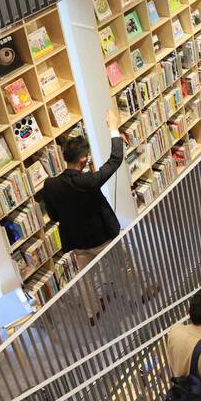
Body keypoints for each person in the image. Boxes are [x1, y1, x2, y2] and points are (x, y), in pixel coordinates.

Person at [38, 109, 138, 320]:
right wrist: (113, 127)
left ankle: (92, 313)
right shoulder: (88, 181)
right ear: (83, 159)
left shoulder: (50, 185)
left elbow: (54, 216)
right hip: (102, 238)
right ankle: (136, 295)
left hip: (78, 243)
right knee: (123, 266)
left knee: (85, 280)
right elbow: (115, 159)